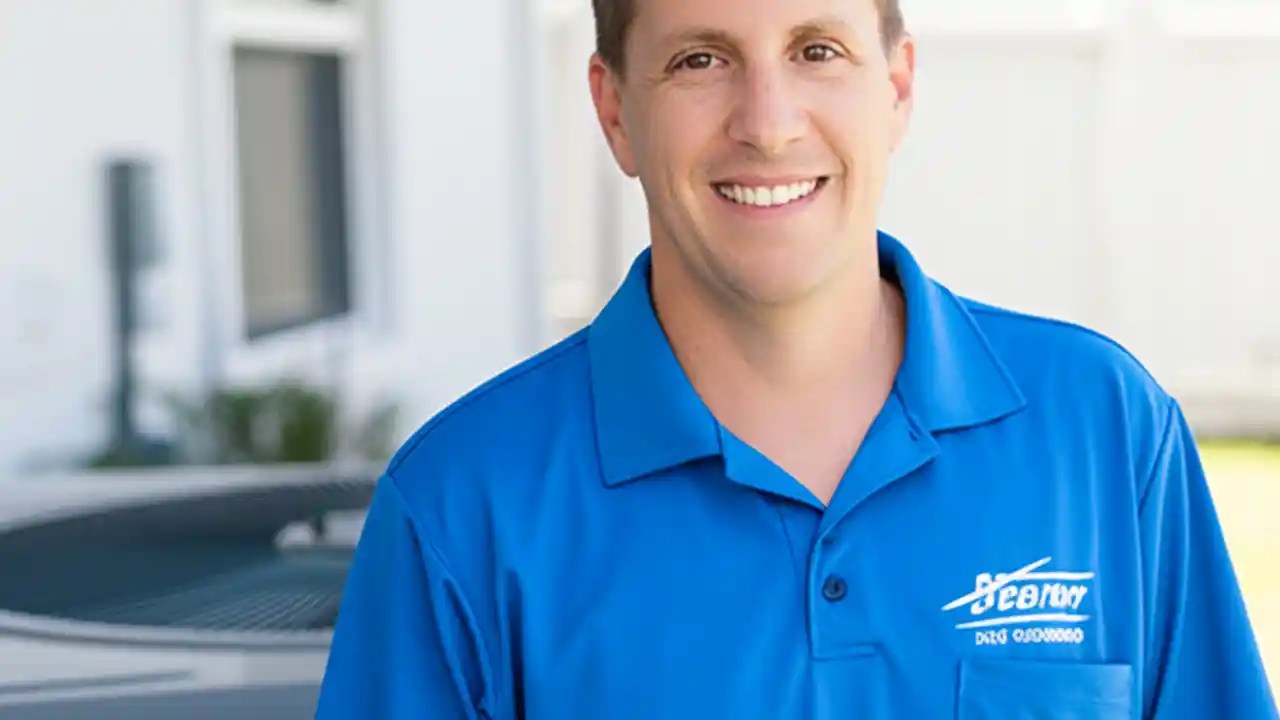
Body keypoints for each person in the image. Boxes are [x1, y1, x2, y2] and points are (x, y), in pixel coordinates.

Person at [316, 0, 1278, 716]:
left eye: (816, 50)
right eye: (701, 60)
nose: (768, 122)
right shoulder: (463, 502)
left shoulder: (1103, 427)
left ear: (896, 86)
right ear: (614, 113)